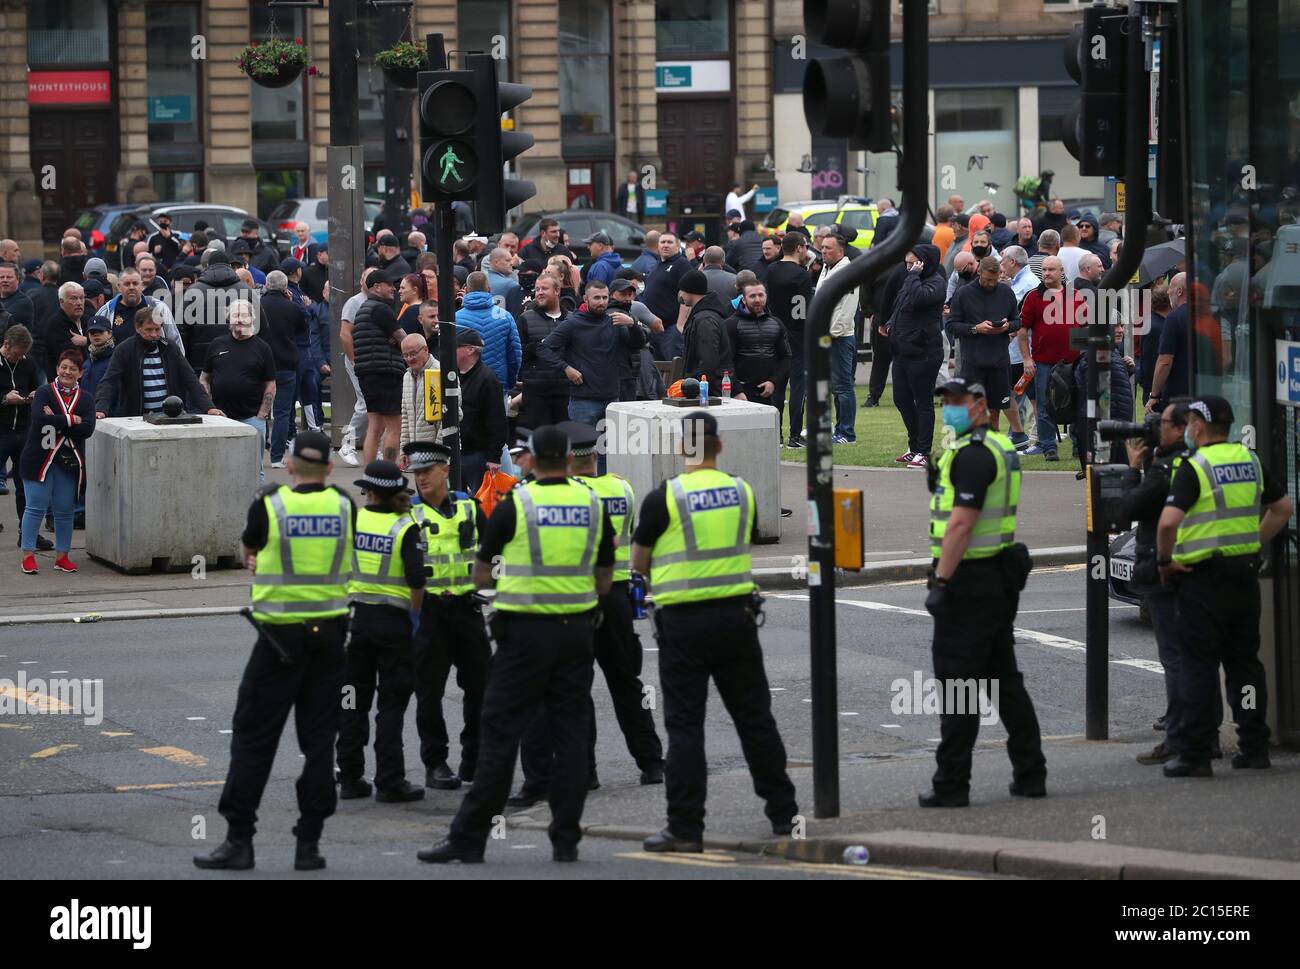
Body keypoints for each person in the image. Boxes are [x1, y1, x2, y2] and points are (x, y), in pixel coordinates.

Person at [418, 424, 613, 864]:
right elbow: (605, 575)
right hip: (576, 632)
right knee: (572, 732)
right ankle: (566, 839)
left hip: (525, 635)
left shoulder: (517, 504)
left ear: (532, 459)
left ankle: (469, 836)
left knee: (501, 733)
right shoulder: (590, 503)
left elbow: (483, 571)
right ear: (566, 458)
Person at [630, 411, 798, 851]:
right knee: (755, 718)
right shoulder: (742, 491)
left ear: (681, 448)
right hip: (736, 619)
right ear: (719, 446)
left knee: (686, 727)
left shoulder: (663, 498)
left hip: (683, 624)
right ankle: (783, 813)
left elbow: (638, 562)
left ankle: (685, 828)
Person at [194, 432, 353, 871]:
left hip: (279, 641)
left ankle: (239, 840)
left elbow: (247, 550)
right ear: (330, 468)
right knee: (320, 744)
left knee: (253, 739)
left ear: (288, 463)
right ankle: (309, 844)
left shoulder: (271, 505)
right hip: (330, 641)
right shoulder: (344, 506)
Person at [510, 422, 665, 805]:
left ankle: (588, 771)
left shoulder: (568, 495)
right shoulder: (620, 488)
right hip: (617, 595)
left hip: (577, 597)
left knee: (576, 689)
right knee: (625, 682)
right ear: (594, 456)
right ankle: (652, 762)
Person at [922, 378, 1046, 806]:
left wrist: (941, 580)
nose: (950, 409)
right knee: (1003, 681)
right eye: (946, 402)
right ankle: (1031, 772)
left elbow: (961, 524)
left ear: (979, 405)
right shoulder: (996, 447)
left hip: (968, 583)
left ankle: (951, 784)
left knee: (958, 686)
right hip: (995, 578)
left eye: (957, 402)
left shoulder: (975, 455)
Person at [1155, 395, 1293, 777]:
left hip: (1202, 581)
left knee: (1199, 667)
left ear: (1198, 426)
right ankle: (1253, 746)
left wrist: (1166, 562)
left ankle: (1196, 754)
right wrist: (1252, 540)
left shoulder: (1194, 466)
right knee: (1245, 666)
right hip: (1244, 576)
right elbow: (1282, 509)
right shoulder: (1251, 460)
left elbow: (1167, 524)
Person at [1115, 398, 1217, 763]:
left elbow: (1129, 507)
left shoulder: (1164, 469)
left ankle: (1180, 737)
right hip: (1196, 567)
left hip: (1165, 570)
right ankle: (1208, 735)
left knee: (1174, 657)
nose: (1155, 429)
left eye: (1162, 424)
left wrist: (1133, 468)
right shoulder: (1195, 463)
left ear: (1179, 428)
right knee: (1197, 656)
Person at [337, 459, 427, 803]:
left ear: (369, 492)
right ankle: (390, 781)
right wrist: (415, 622)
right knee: (391, 705)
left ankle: (349, 776)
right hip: (394, 625)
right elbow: (417, 581)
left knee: (351, 701)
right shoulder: (405, 528)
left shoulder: (353, 521)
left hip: (355, 622)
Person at [404, 439, 491, 789]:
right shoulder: (408, 512)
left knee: (480, 688)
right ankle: (435, 763)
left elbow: (491, 554)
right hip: (429, 614)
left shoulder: (470, 507)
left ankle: (473, 759)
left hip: (467, 608)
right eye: (416, 473)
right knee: (429, 693)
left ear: (445, 471)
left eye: (427, 472)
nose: (421, 479)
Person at [538, 279, 645, 467]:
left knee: (609, 456)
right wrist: (566, 368)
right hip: (583, 399)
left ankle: (603, 493)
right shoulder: (573, 323)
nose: (602, 302)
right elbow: (544, 349)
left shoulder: (615, 321)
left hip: (612, 397)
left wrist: (633, 324)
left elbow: (636, 344)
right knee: (581, 455)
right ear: (586, 298)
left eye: (605, 297)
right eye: (597, 298)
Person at [19, 350, 95, 575]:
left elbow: (88, 429)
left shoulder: (86, 398)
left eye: (73, 368)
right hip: (38, 459)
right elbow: (41, 420)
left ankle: (62, 556)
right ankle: (28, 555)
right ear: (57, 369)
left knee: (65, 511)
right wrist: (72, 419)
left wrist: (56, 420)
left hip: (68, 462)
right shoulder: (44, 392)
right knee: (35, 507)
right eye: (64, 367)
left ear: (80, 373)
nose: (67, 372)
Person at [946, 256, 1023, 445]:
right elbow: (952, 325)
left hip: (999, 360)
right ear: (979, 272)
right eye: (988, 280)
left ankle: (993, 446)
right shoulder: (963, 294)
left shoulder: (1006, 292)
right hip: (973, 362)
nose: (991, 284)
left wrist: (1007, 327)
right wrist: (975, 328)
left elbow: (1018, 321)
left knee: (996, 410)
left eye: (995, 280)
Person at [94, 307, 220, 419]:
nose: (154, 334)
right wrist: (101, 409)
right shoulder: (124, 350)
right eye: (149, 330)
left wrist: (208, 407)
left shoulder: (170, 347)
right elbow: (109, 381)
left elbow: (190, 379)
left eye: (157, 329)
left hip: (171, 417)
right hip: (137, 417)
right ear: (138, 328)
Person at [1017, 256, 1086, 460]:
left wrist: (1083, 356)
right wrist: (1027, 359)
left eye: (1051, 270)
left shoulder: (1076, 295)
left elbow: (1084, 327)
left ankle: (1077, 445)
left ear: (1061, 271)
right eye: (1044, 270)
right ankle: (1048, 447)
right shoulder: (1033, 297)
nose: (1046, 273)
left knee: (1077, 403)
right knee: (1045, 405)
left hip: (1073, 362)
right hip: (1043, 362)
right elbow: (1022, 331)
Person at [201, 300, 276, 485]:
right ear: (228, 319)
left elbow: (271, 384)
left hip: (252, 420)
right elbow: (204, 379)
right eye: (235, 315)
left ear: (252, 319)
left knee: (254, 471)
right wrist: (209, 407)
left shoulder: (262, 348)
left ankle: (258, 512)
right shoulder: (216, 345)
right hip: (221, 420)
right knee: (221, 469)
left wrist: (261, 415)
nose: (239, 320)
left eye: (244, 315)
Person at [885, 244, 947, 469]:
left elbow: (919, 299)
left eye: (913, 263)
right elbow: (900, 306)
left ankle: (924, 450)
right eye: (907, 263)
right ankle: (913, 447)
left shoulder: (936, 282)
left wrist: (913, 276)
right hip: (902, 350)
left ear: (924, 262)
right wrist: (890, 324)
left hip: (924, 352)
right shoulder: (910, 280)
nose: (908, 267)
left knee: (923, 402)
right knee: (901, 399)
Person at [352, 269, 408, 465]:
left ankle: (370, 479)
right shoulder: (380, 309)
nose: (393, 288)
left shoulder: (363, 310)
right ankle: (388, 477)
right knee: (395, 427)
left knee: (375, 427)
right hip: (386, 372)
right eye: (389, 285)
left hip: (367, 373)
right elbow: (405, 340)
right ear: (376, 287)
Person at [765, 233, 814, 446]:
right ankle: (795, 435)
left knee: (777, 383)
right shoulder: (801, 275)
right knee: (797, 386)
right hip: (797, 333)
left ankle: (776, 435)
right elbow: (803, 309)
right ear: (800, 248)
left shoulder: (771, 270)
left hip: (775, 330)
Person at [259, 271, 307, 469]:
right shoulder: (292, 308)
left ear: (267, 286)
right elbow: (302, 329)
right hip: (286, 363)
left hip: (260, 364)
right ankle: (277, 457)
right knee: (282, 413)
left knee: (259, 412)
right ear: (285, 288)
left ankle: (259, 452)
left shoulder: (257, 305)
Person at [1, 326, 45, 546]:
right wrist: (4, 399)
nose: (20, 357)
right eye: (17, 353)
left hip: (24, 430)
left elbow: (40, 386)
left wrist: (36, 395)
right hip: (1, 430)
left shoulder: (28, 362)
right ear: (6, 345)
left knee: (25, 485)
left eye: (23, 353)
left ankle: (27, 534)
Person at [817, 231, 858, 444]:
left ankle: (847, 433)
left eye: (828, 248)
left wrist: (831, 334)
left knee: (843, 386)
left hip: (840, 338)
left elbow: (847, 310)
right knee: (835, 386)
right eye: (822, 247)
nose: (823, 251)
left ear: (840, 251)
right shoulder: (826, 268)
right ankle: (839, 429)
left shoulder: (847, 272)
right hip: (827, 335)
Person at [724, 278, 789, 412]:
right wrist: (737, 390)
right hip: (740, 395)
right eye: (752, 296)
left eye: (761, 295)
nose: (757, 300)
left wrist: (774, 382)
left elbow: (786, 358)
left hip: (769, 393)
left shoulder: (777, 324)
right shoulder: (730, 325)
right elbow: (725, 361)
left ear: (766, 297)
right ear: (743, 299)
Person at [515, 273, 571, 429]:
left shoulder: (572, 320)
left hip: (565, 392)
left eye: (544, 288)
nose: (539, 292)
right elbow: (519, 352)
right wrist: (539, 346)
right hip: (536, 393)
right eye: (537, 289)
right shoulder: (525, 318)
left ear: (557, 291)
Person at [456, 328, 507, 494]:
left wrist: (494, 456)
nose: (448, 350)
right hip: (455, 452)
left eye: (455, 346)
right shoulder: (451, 375)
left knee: (482, 501)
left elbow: (497, 420)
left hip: (477, 454)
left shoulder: (487, 378)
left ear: (470, 350)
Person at [455, 271, 522, 395]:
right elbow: (515, 356)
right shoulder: (505, 316)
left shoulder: (456, 318)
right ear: (489, 289)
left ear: (466, 290)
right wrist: (510, 382)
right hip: (497, 385)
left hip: (465, 386)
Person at [676, 269, 733, 392]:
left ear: (690, 291)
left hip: (708, 391)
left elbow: (708, 359)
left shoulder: (705, 320)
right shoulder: (702, 316)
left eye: (682, 291)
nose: (681, 295)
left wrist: (695, 388)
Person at [641, 233, 692, 359]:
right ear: (657, 246)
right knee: (659, 372)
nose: (665, 245)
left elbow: (688, 295)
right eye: (662, 242)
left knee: (674, 371)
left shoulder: (682, 264)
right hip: (653, 330)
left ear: (678, 246)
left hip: (670, 330)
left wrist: (680, 326)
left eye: (670, 242)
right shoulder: (657, 265)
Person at [398, 332, 448, 457]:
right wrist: (405, 450)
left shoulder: (440, 373)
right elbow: (405, 416)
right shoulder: (407, 377)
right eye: (405, 355)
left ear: (426, 350)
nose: (409, 358)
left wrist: (436, 451)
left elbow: (449, 417)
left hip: (438, 455)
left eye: (413, 353)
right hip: (417, 453)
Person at [78, 318, 116, 403]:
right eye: (92, 333)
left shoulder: (116, 359)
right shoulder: (86, 363)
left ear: (110, 333)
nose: (96, 335)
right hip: (88, 412)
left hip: (109, 413)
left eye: (100, 332)